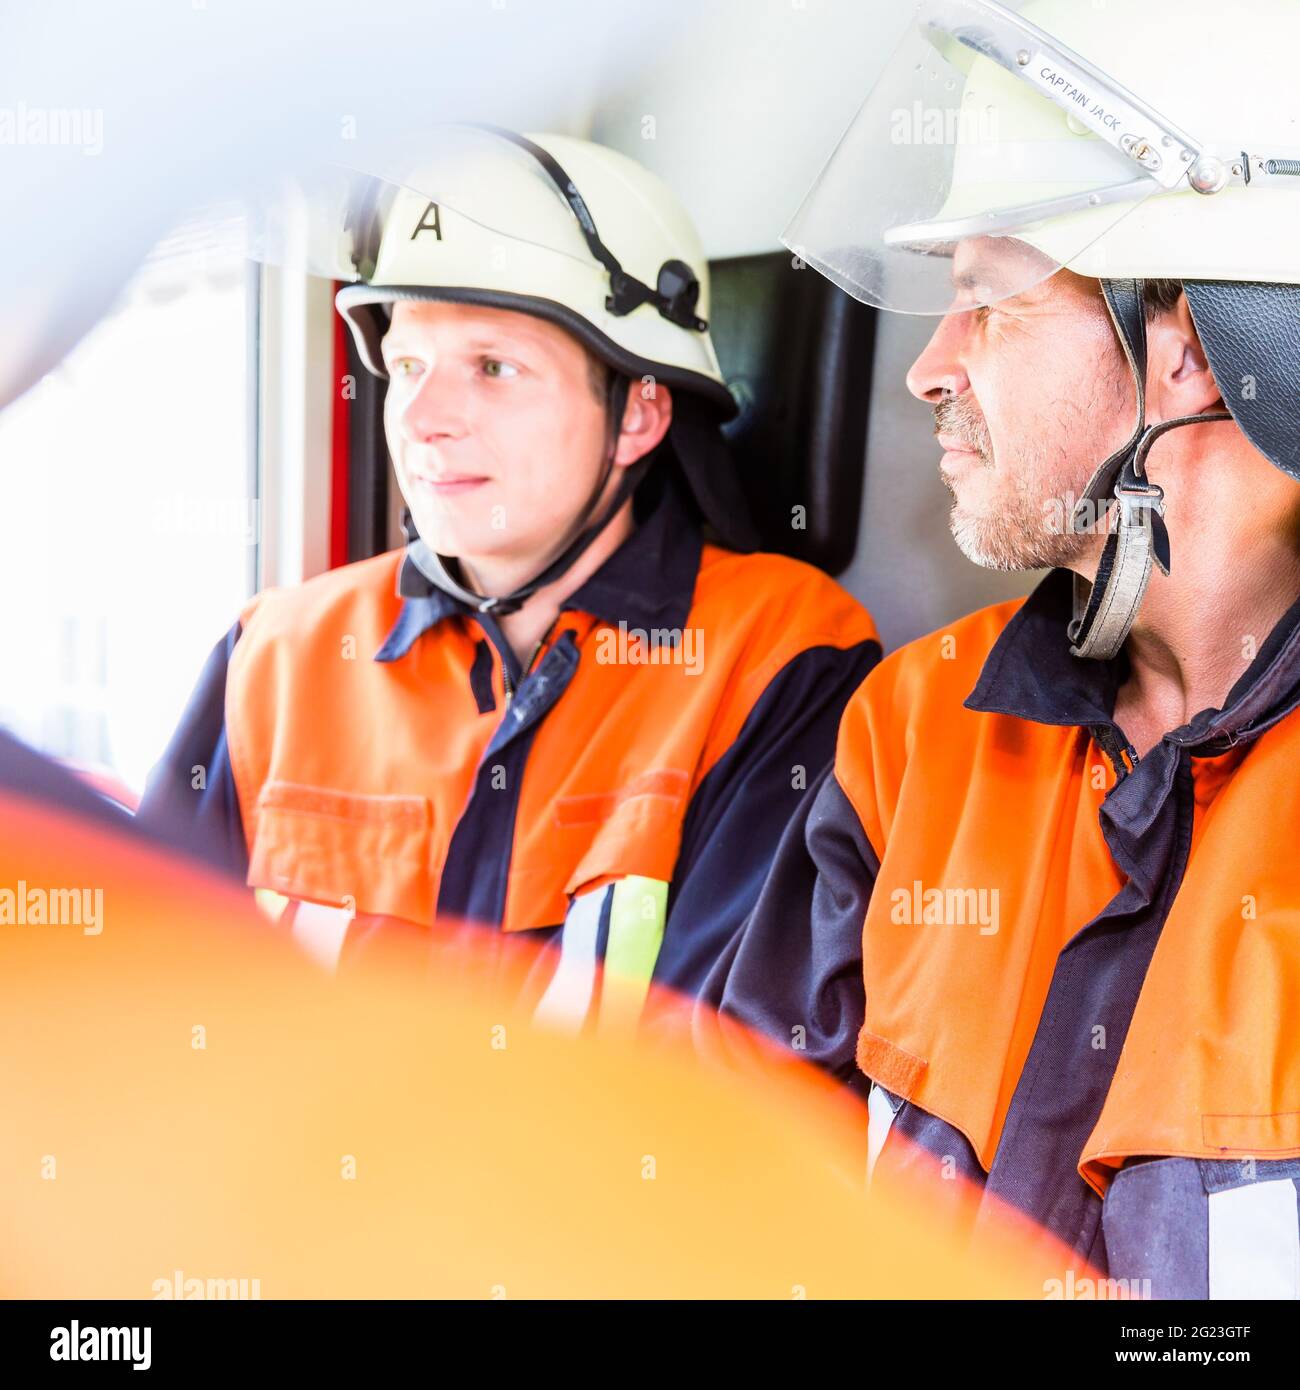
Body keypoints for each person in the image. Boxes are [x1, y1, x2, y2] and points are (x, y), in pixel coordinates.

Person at [703, 0, 1300, 1296]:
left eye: (986, 301)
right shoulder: (912, 727)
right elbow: (741, 1173)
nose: (930, 368)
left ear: (1190, 349)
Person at [137, 128, 880, 1026]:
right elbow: (149, 1018)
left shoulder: (780, 662)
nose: (420, 416)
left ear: (639, 412)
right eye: (407, 364)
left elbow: (736, 1074)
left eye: (493, 367)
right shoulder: (276, 655)